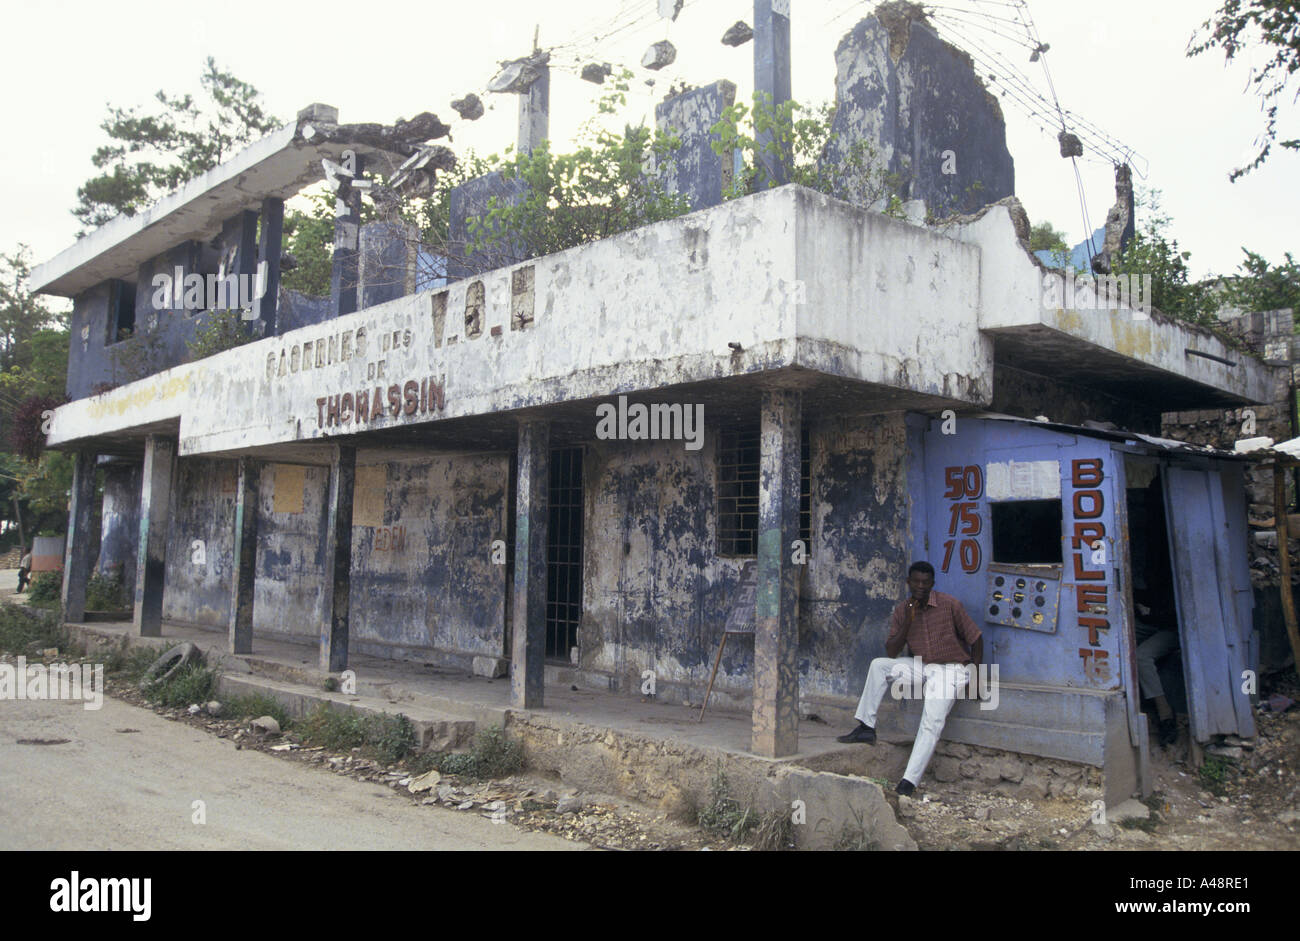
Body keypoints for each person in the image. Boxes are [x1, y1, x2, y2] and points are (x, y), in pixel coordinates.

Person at [836, 561, 984, 796]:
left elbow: (976, 639)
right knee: (879, 665)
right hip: (923, 665)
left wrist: (976, 678)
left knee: (931, 721)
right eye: (916, 581)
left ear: (933, 584)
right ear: (908, 583)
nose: (920, 586)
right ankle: (866, 726)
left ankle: (908, 782)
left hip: (953, 669)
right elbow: (892, 652)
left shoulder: (949, 605)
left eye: (925, 582)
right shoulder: (903, 610)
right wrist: (909, 618)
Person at [1134, 601, 1179, 746]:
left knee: (1141, 657)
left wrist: (1150, 612)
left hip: (1171, 626)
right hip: (1148, 623)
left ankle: (1166, 716)